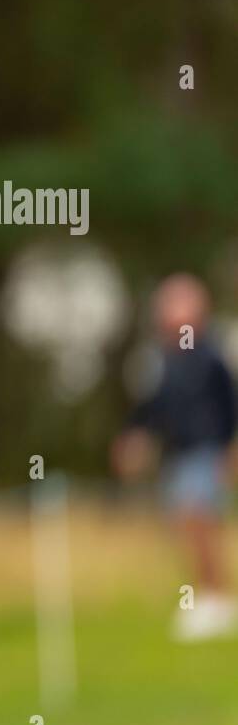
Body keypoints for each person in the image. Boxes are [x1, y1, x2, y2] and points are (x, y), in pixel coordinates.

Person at [112, 273, 238, 641]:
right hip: (177, 456)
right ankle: (205, 597)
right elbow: (152, 408)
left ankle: (218, 599)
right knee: (185, 527)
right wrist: (135, 437)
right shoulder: (162, 360)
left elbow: (231, 404)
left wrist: (231, 449)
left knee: (198, 520)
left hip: (207, 452)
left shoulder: (213, 355)